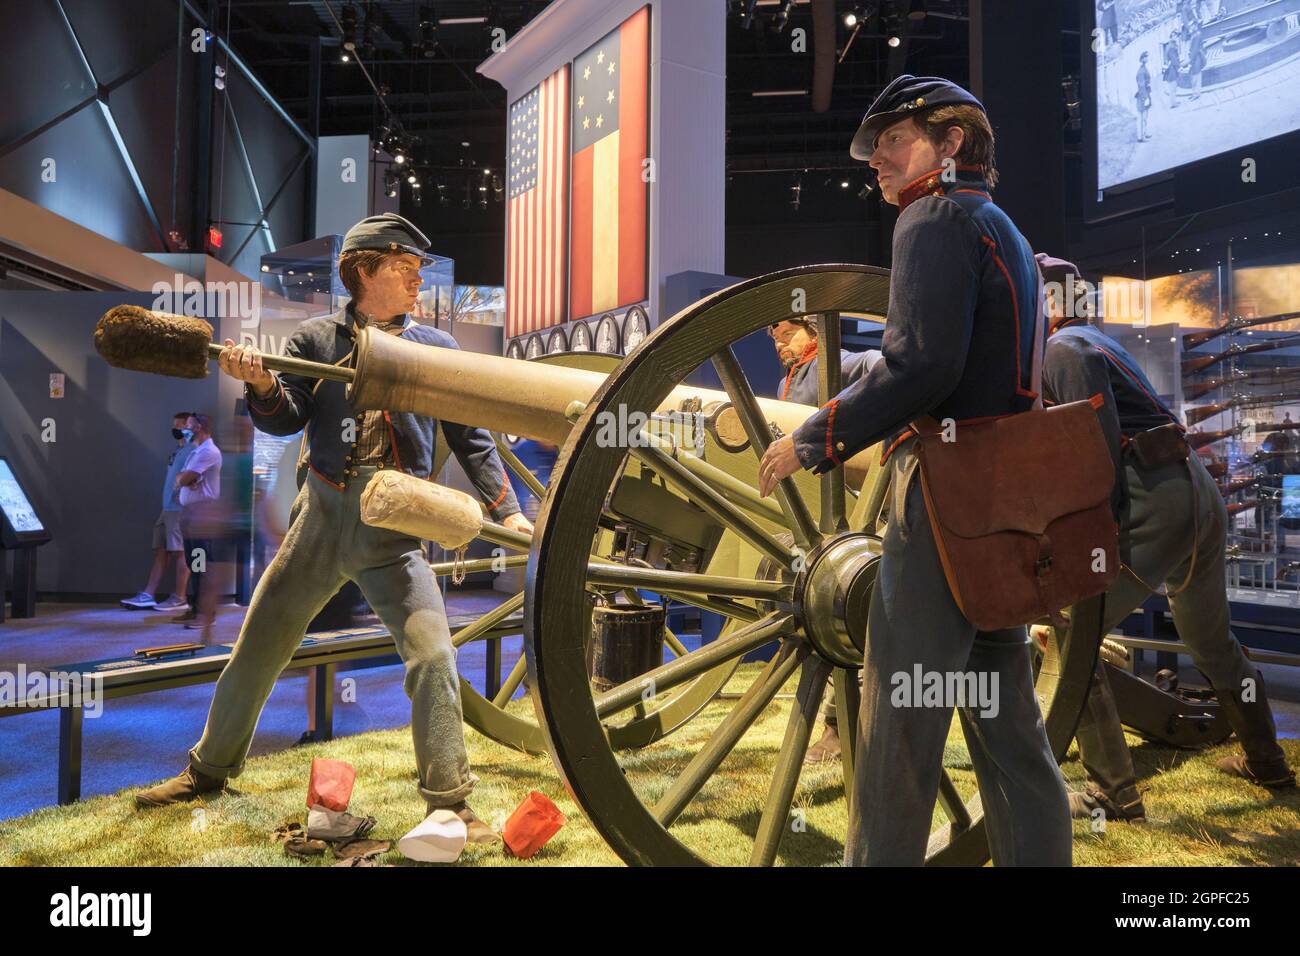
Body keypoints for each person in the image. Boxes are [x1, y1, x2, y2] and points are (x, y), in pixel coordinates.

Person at [135, 213, 534, 847]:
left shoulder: (437, 349)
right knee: (258, 647)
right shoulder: (315, 340)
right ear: (363, 271)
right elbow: (285, 417)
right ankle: (208, 769)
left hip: (394, 526)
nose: (414, 280)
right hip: (320, 520)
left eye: (416, 270)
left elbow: (470, 434)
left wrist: (506, 506)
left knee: (432, 654)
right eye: (403, 267)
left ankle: (451, 803)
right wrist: (263, 382)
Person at [759, 75, 1071, 866]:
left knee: (898, 721)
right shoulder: (1002, 229)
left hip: (941, 501)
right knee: (1008, 726)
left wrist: (816, 437)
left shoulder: (932, 217)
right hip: (1002, 501)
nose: (878, 163)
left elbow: (922, 367)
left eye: (893, 140)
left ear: (950, 141)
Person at [1034, 255, 1295, 822]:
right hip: (1195, 494)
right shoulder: (1099, 342)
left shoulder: (1063, 349)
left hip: (1152, 496)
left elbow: (1093, 448)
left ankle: (1113, 793)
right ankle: (1266, 760)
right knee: (1212, 643)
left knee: (1069, 634)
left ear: (1048, 302)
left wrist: (1088, 537)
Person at [766, 316, 879, 763]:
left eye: (787, 334)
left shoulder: (843, 364)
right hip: (810, 512)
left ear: (813, 331)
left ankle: (838, 726)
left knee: (842, 607)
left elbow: (882, 367)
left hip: (850, 504)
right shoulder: (787, 384)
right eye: (774, 339)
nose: (780, 344)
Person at [120, 412, 195, 611]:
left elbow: (193, 479)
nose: (177, 428)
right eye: (175, 424)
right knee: (160, 550)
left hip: (179, 509)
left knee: (180, 552)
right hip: (167, 508)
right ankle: (148, 594)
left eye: (181, 425)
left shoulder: (193, 450)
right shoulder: (178, 451)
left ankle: (180, 598)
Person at [175, 412, 224, 641]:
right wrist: (185, 477)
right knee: (194, 564)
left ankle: (206, 614)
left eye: (190, 426)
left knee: (201, 566)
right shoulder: (197, 451)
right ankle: (195, 609)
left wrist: (186, 478)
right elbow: (181, 478)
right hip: (192, 516)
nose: (186, 429)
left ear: (200, 427)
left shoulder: (209, 452)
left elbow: (183, 479)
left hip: (202, 517)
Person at [1162, 27, 1182, 110]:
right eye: (1176, 36)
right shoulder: (1171, 46)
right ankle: (1173, 104)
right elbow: (1173, 59)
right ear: (1172, 36)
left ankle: (1174, 102)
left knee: (1174, 87)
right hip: (1171, 69)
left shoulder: (1171, 45)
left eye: (1177, 36)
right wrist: (1179, 67)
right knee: (1173, 87)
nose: (1177, 37)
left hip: (1172, 68)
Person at [1135, 52, 1153, 141]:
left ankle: (1144, 134)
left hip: (1145, 93)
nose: (1147, 58)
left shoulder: (1143, 68)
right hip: (1142, 96)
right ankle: (1141, 137)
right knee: (1142, 117)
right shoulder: (1141, 71)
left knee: (1145, 117)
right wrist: (1145, 98)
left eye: (1147, 57)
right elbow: (1141, 86)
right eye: (1146, 57)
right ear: (1142, 59)